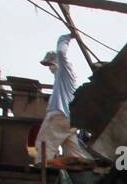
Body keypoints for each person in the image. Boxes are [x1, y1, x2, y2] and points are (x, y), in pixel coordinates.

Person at [37, 33, 92, 164]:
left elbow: (61, 53)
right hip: (69, 120)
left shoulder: (65, 72)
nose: (49, 68)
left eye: (50, 64)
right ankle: (86, 165)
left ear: (56, 63)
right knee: (75, 152)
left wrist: (66, 37)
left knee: (42, 146)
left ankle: (42, 171)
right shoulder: (61, 78)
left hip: (59, 115)